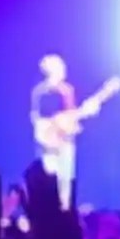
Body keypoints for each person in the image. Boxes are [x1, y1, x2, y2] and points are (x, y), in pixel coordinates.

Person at [31, 54, 80, 207]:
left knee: (65, 187)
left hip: (65, 143)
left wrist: (73, 124)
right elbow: (37, 118)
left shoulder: (68, 91)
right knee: (48, 182)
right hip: (49, 145)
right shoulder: (40, 92)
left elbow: (71, 117)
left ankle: (64, 215)